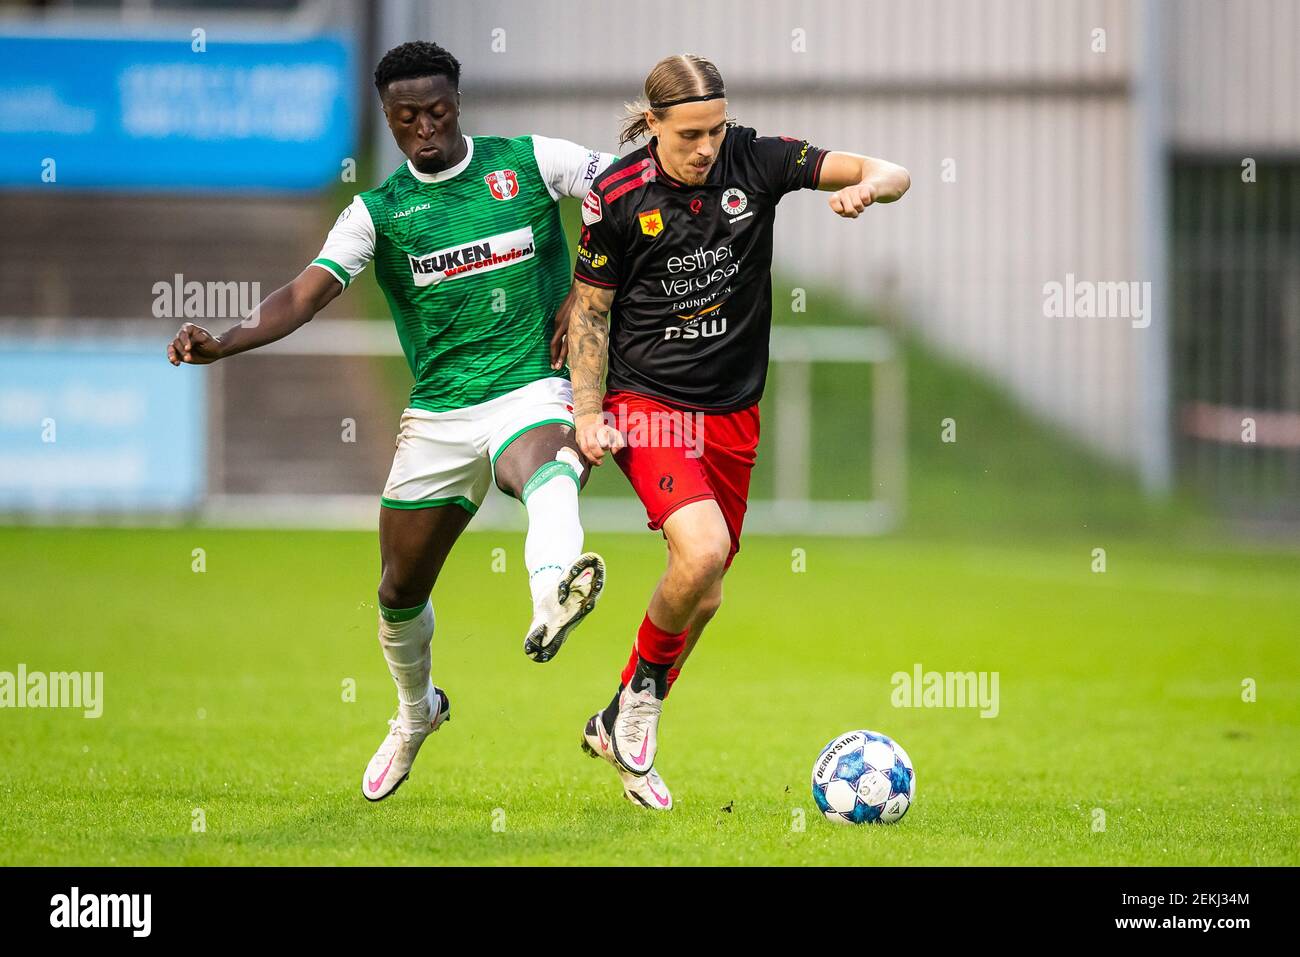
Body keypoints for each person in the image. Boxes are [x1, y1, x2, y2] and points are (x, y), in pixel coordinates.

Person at [166, 41, 619, 802]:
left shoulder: (532, 160)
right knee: (398, 591)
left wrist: (588, 283)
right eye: (405, 117)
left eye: (436, 111)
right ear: (386, 116)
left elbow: (631, 188)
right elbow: (306, 292)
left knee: (548, 467)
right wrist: (227, 338)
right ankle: (417, 713)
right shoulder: (376, 212)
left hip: (529, 388)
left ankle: (551, 596)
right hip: (440, 412)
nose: (423, 128)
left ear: (458, 101)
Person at [566, 53, 910, 809]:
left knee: (707, 590)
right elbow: (589, 311)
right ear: (651, 124)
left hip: (731, 413)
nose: (705, 148)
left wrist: (870, 189)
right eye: (688, 133)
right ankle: (643, 706)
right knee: (703, 550)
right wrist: (588, 413)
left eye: (714, 130)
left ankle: (614, 713)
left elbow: (892, 169)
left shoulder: (754, 157)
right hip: (646, 401)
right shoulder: (616, 194)